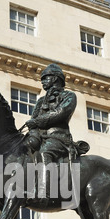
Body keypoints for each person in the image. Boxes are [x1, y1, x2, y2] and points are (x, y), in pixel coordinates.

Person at [24, 63, 78, 202]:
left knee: (44, 152)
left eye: (45, 78)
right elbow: (34, 118)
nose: (42, 82)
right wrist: (33, 131)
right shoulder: (41, 100)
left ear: (55, 78)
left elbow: (61, 113)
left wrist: (37, 122)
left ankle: (43, 193)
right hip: (40, 136)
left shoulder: (69, 96)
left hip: (58, 137)